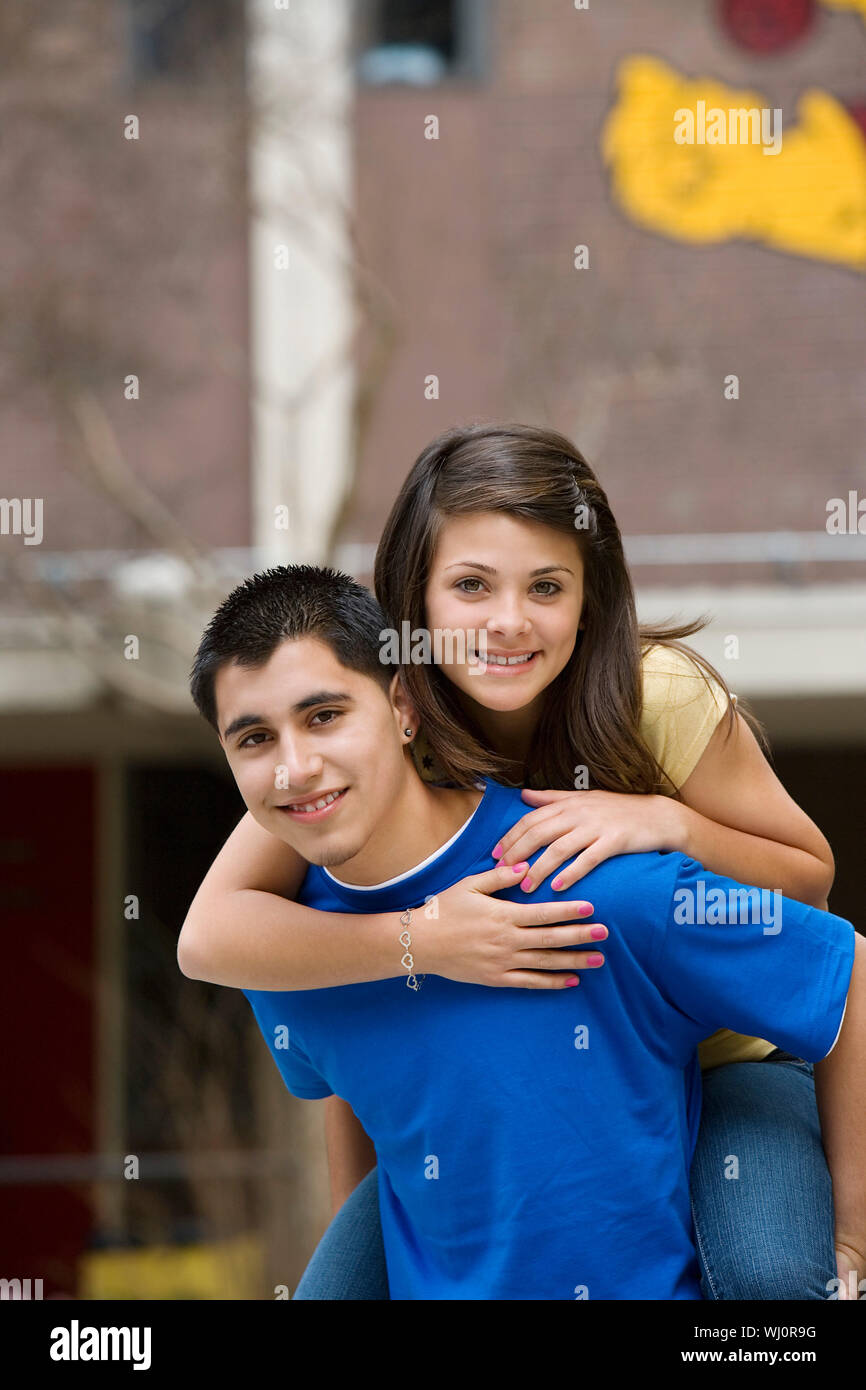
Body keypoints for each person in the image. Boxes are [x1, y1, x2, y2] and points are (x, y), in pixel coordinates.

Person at [179, 422, 843, 1299]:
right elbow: (223, 940)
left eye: (546, 587)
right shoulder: (361, 736)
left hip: (723, 1056)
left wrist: (668, 823)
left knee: (772, 1285)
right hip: (500, 1104)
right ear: (411, 605)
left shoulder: (657, 698)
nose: (507, 622)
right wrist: (425, 940)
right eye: (469, 586)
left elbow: (809, 880)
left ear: (589, 596)